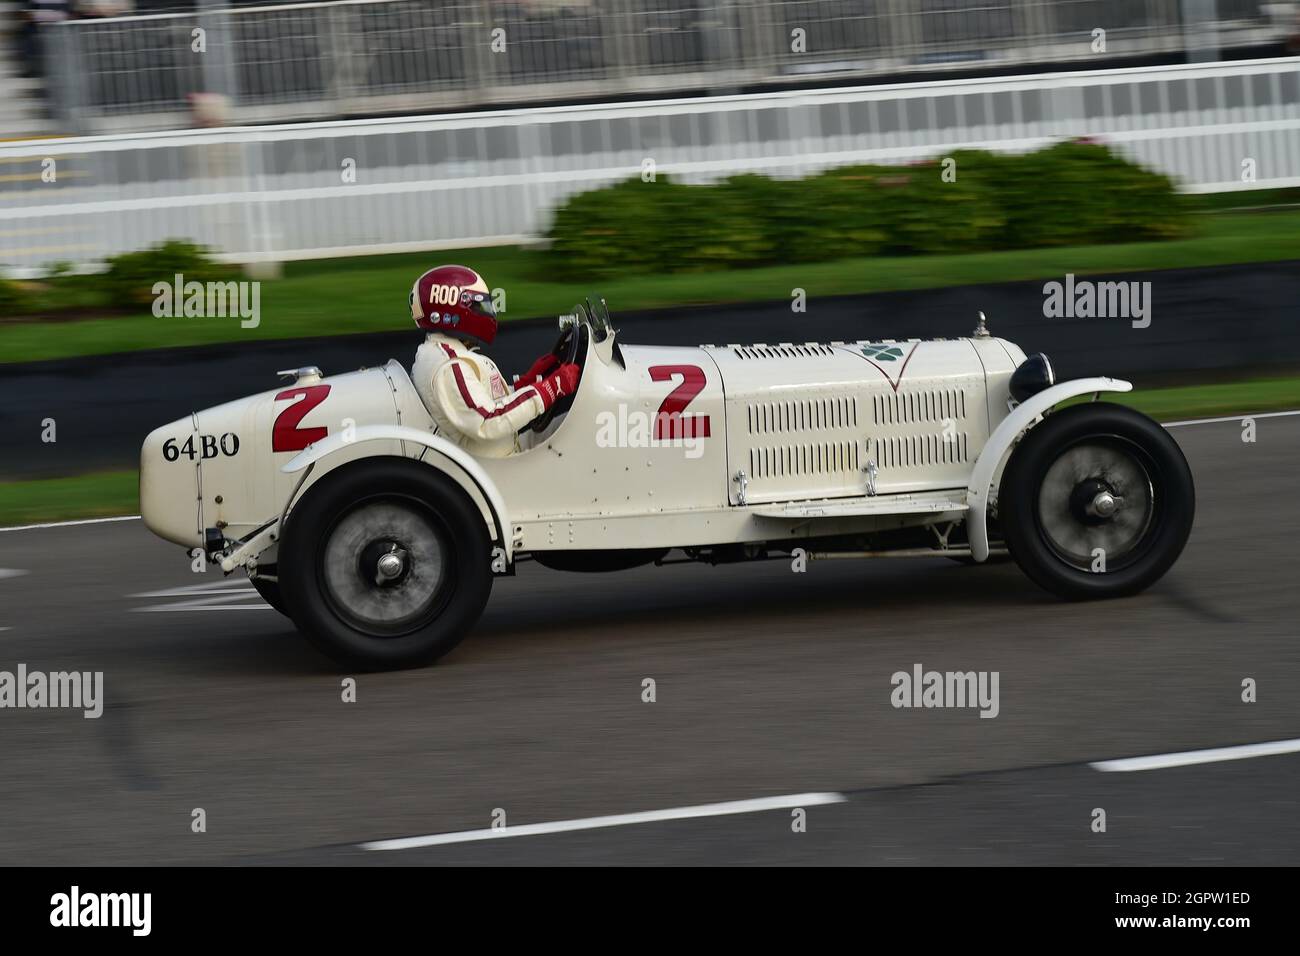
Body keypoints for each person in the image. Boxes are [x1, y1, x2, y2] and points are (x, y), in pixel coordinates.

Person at [410, 265, 579, 458]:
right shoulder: (450, 367)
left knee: (578, 425)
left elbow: (478, 403)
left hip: (502, 452)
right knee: (583, 431)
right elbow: (488, 421)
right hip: (502, 465)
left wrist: (526, 384)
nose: (487, 312)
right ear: (451, 310)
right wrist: (549, 389)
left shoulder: (439, 354)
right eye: (478, 306)